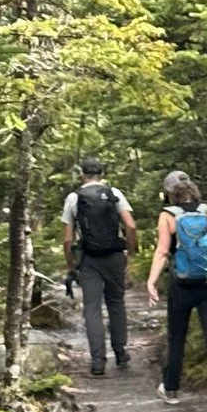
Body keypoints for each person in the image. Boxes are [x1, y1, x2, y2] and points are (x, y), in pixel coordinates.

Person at [149, 174, 207, 409]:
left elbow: (162, 251)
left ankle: (171, 389)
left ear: (170, 193)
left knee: (177, 337)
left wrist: (152, 281)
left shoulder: (168, 215)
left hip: (181, 283)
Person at [60, 159, 136, 378]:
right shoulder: (115, 194)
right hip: (114, 256)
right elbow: (130, 225)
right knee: (116, 303)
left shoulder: (74, 198)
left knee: (92, 309)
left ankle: (97, 362)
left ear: (82, 174)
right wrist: (130, 254)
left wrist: (71, 265)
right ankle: (121, 353)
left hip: (89, 258)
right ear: (102, 174)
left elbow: (67, 240)